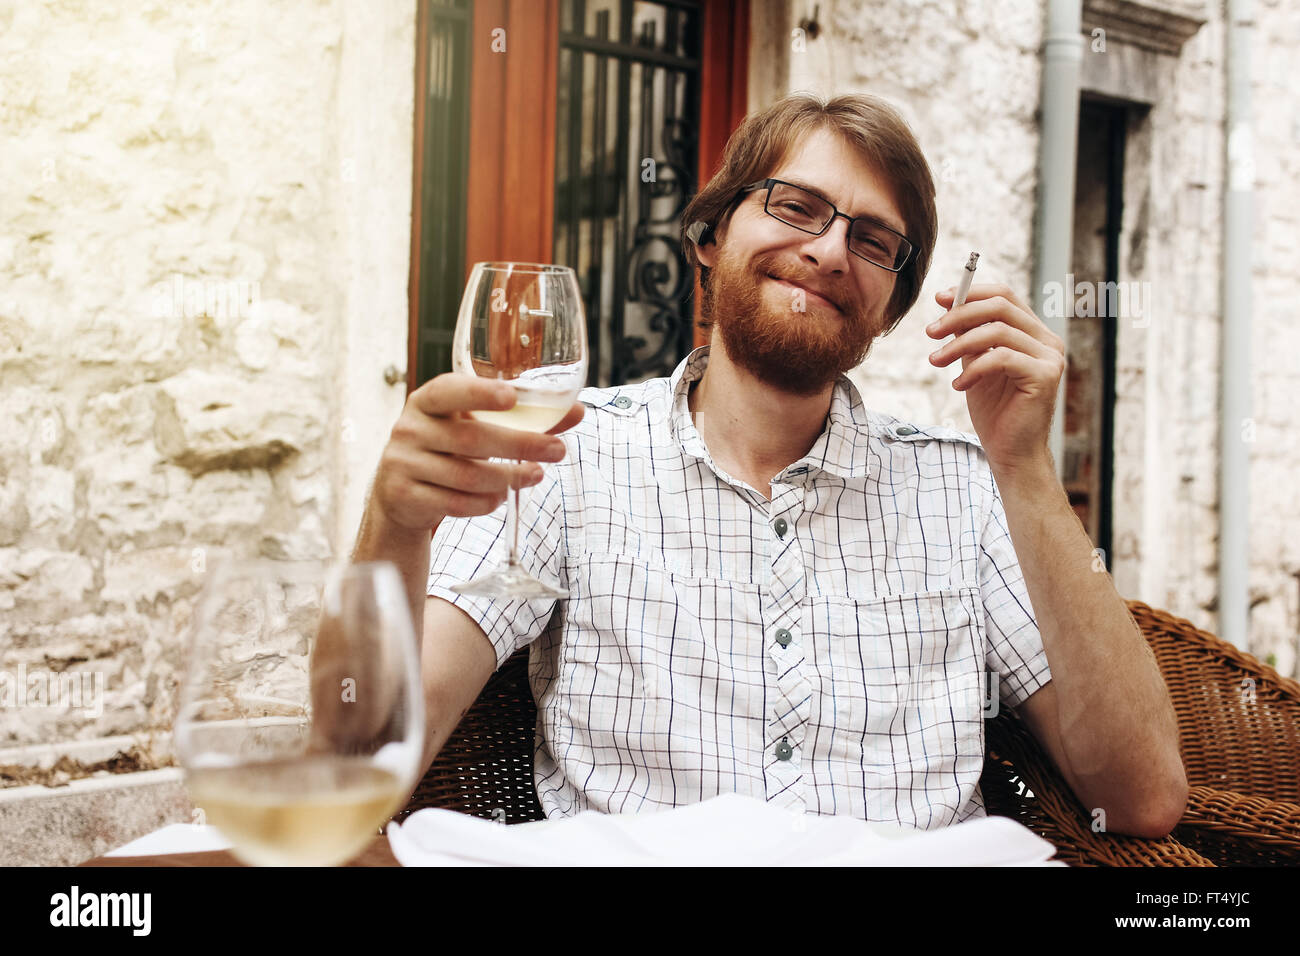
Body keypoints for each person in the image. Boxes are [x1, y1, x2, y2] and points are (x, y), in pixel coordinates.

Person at [351, 92, 1187, 835]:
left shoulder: (969, 489)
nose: (828, 252)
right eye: (796, 207)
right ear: (711, 235)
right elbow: (365, 763)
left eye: (872, 241)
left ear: (892, 308)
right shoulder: (565, 453)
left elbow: (1141, 796)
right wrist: (391, 527)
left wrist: (1027, 469)